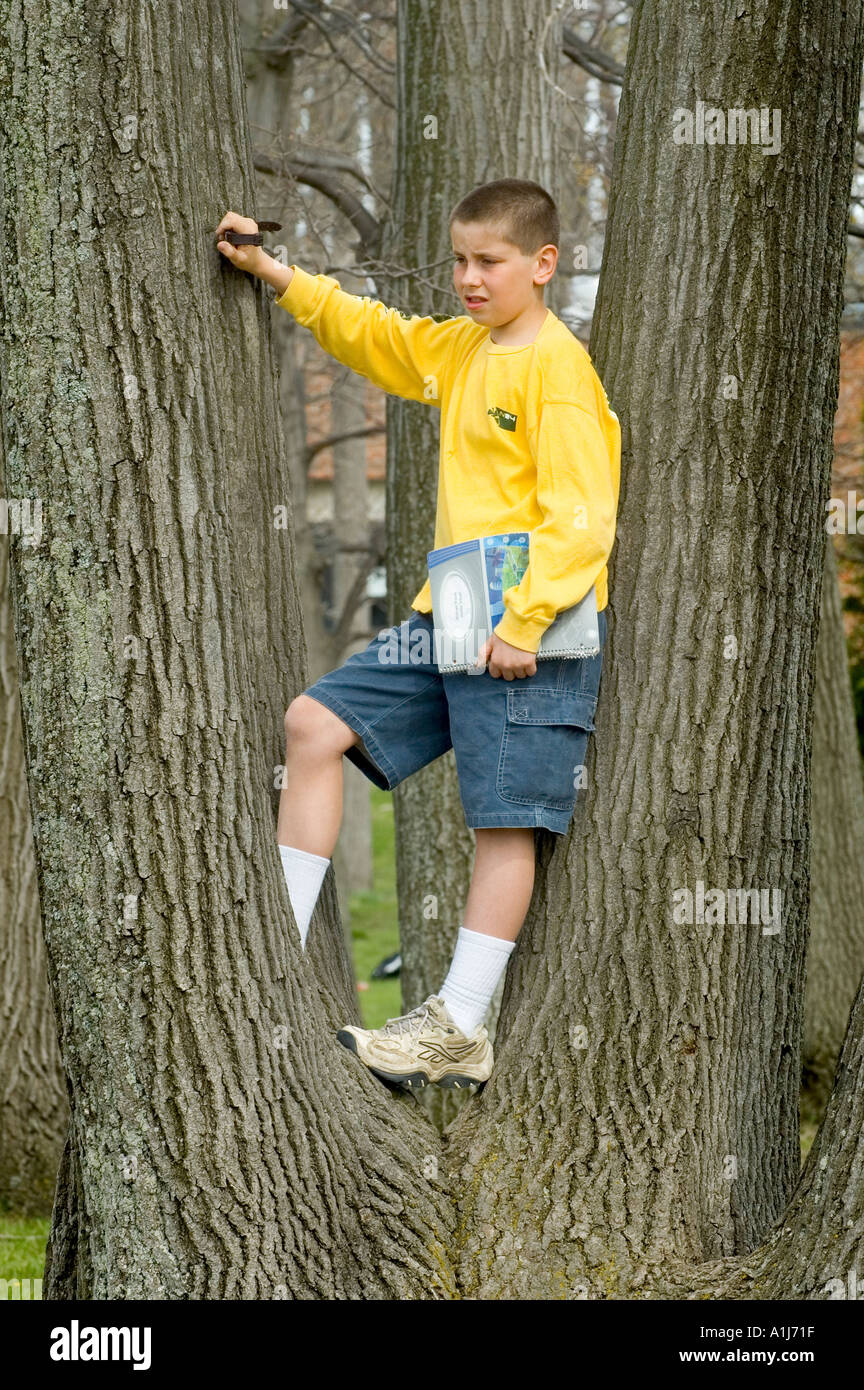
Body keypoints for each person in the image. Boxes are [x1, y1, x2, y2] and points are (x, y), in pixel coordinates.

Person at [215, 177, 621, 1092]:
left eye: (490, 262)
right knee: (314, 725)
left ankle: (459, 1026)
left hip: (531, 637)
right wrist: (275, 272)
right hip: (452, 616)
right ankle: (275, 963)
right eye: (460, 261)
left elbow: (584, 517)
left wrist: (526, 621)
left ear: (543, 265)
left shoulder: (557, 367)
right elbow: (381, 337)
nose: (468, 279)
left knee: (502, 823)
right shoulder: (468, 350)